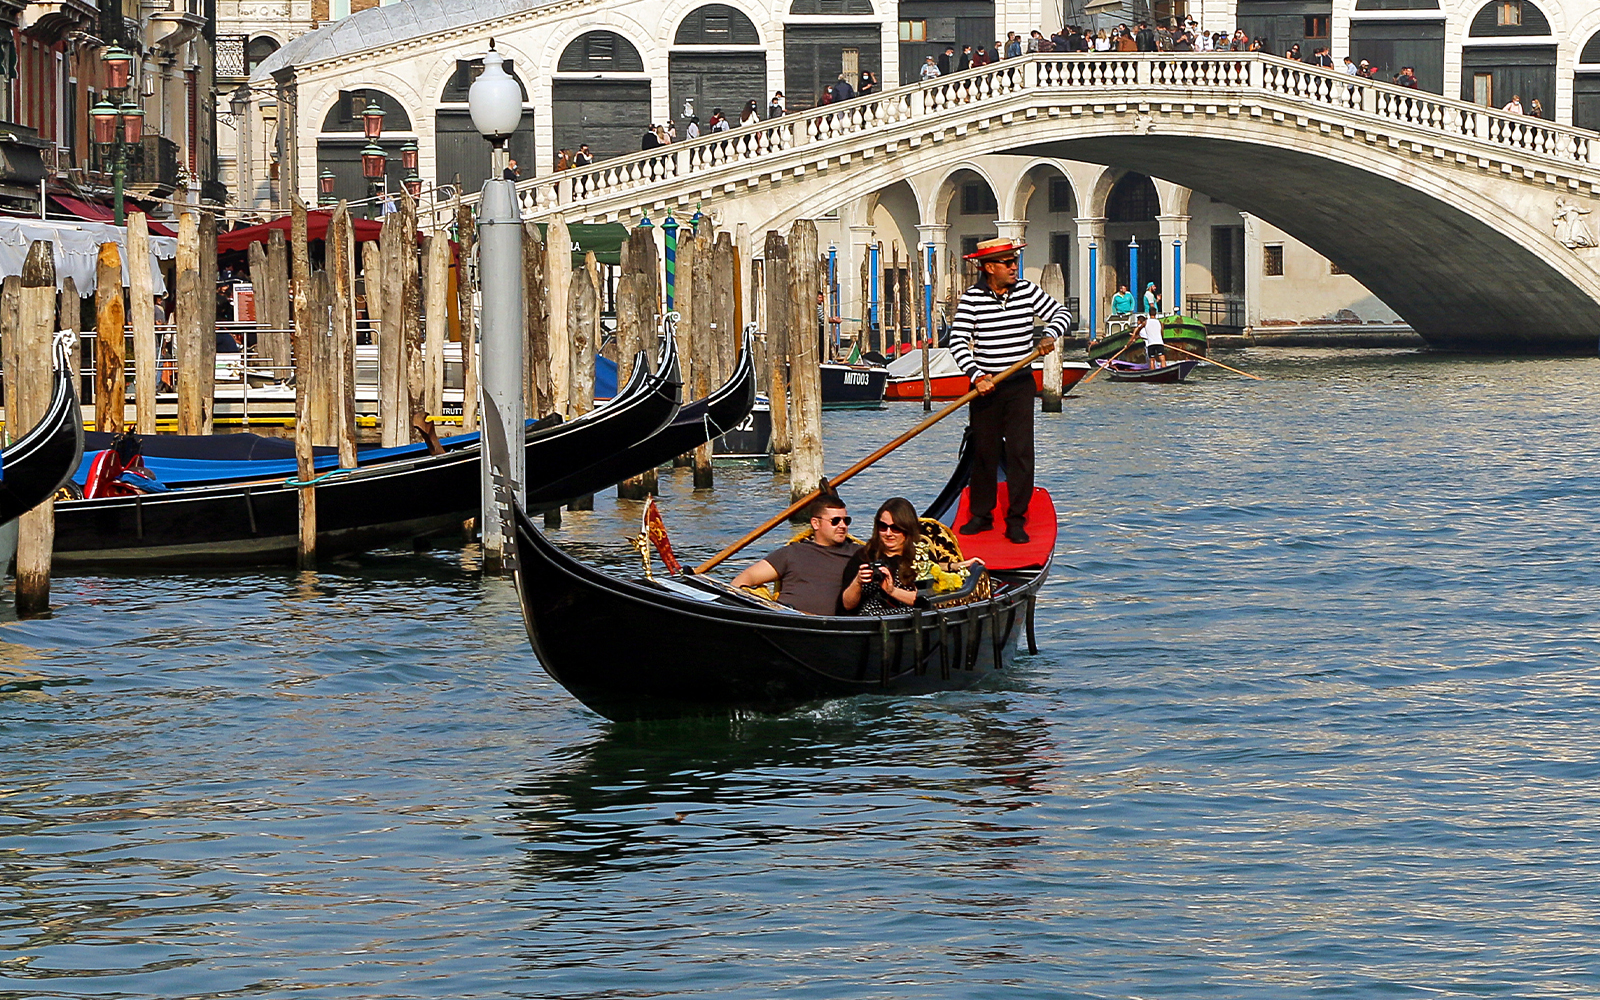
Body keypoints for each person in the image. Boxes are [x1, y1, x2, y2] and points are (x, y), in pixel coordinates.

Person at [948, 237, 1068, 544]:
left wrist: (1049, 334)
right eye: (1008, 262)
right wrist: (977, 376)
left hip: (1019, 383)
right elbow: (958, 341)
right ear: (989, 268)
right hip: (985, 386)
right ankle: (981, 514)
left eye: (1015, 261)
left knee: (1020, 452)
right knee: (984, 451)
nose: (1015, 267)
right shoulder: (972, 299)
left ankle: (1016, 518)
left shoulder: (1027, 290)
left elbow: (1061, 314)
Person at [731, 493, 862, 615]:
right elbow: (745, 578)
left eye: (846, 521)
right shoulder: (792, 552)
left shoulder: (860, 554)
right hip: (785, 620)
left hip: (834, 626)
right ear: (815, 523)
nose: (842, 526)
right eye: (835, 521)